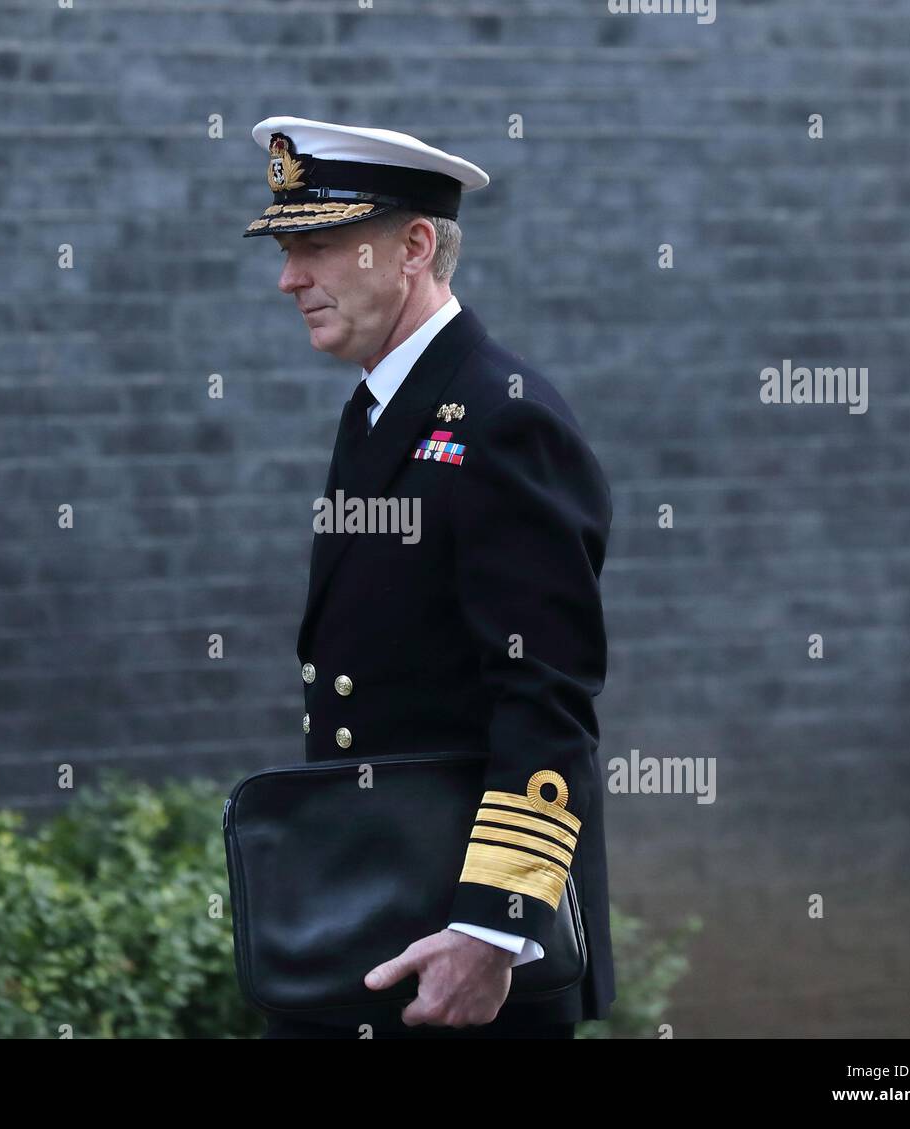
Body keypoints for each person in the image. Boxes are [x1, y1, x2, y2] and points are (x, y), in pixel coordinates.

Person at [242, 116, 615, 1039]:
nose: (291, 278)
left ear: (412, 247)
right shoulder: (379, 406)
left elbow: (546, 695)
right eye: (289, 250)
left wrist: (492, 929)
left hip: (469, 954)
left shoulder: (503, 418)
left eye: (319, 246)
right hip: (379, 908)